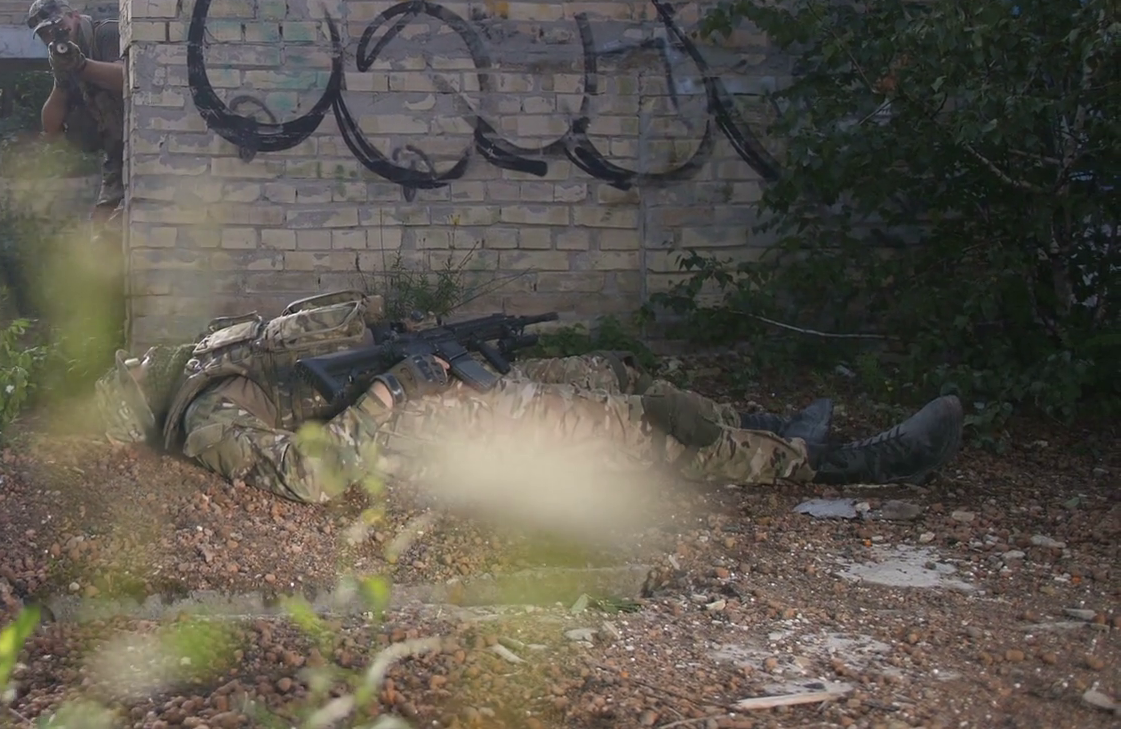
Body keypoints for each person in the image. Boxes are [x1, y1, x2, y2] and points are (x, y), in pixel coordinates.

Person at [95, 294, 965, 506]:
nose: (138, 362)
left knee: (610, 372)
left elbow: (338, 336)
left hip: (442, 392)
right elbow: (309, 478)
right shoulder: (208, 418)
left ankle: (770, 426)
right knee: (633, 426)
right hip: (435, 430)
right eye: (127, 375)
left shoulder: (211, 354)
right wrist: (394, 393)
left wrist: (422, 344)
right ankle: (850, 461)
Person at [26, 0, 126, 221]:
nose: (54, 35)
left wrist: (82, 66)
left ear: (75, 17)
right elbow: (51, 128)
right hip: (116, 156)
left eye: (60, 27)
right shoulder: (65, 60)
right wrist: (61, 77)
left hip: (143, 145)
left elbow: (127, 77)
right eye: (45, 34)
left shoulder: (106, 34)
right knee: (101, 231)